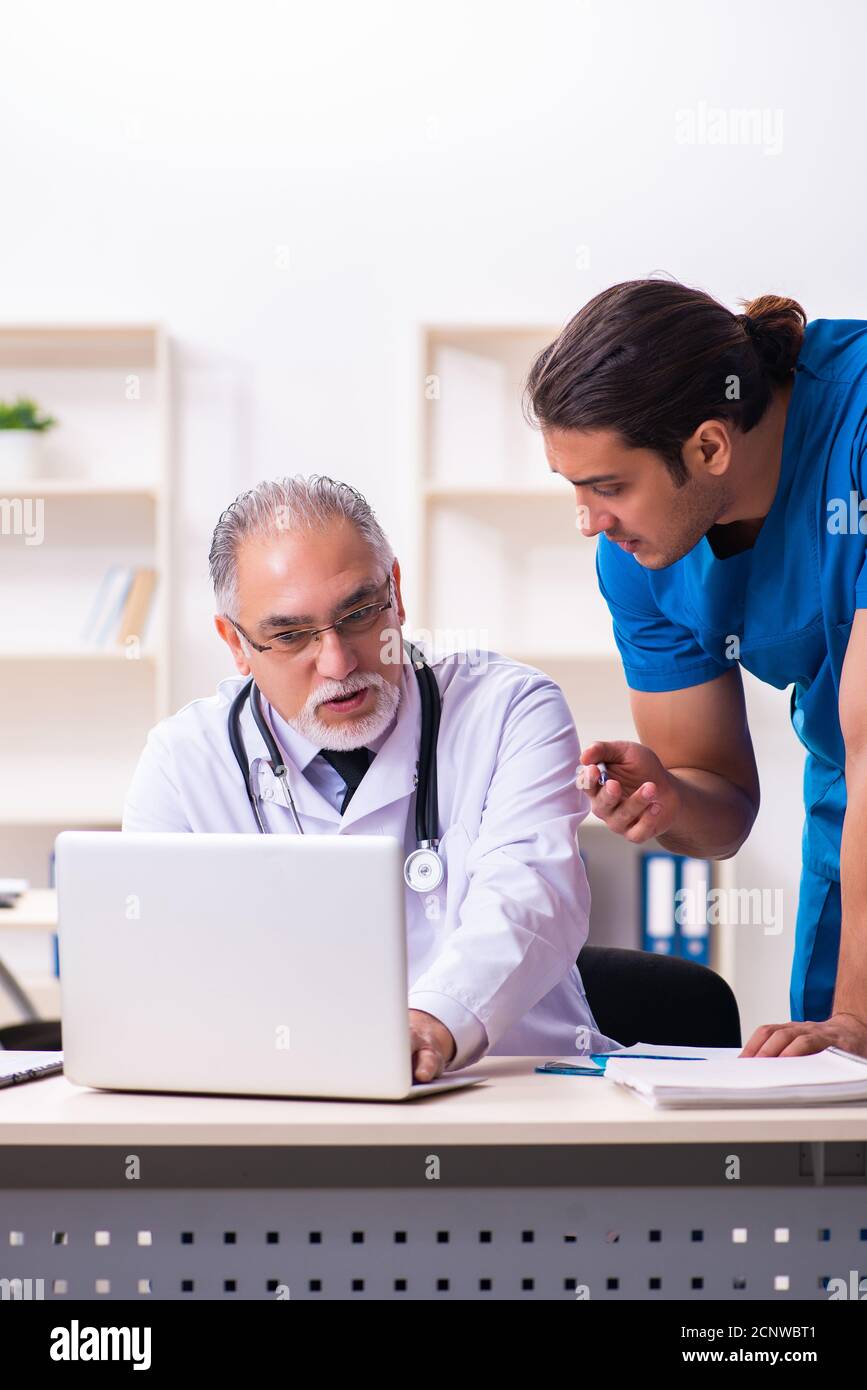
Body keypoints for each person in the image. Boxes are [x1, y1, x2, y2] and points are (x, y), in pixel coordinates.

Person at [123, 475, 617, 1080]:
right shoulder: (183, 764)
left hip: (519, 1096)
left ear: (397, 593)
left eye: (358, 614)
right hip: (282, 1104)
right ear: (236, 642)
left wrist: (433, 1023)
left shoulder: (511, 708)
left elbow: (533, 895)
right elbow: (163, 972)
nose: (337, 662)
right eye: (289, 635)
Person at [524, 278, 867, 1058]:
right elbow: (725, 810)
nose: (588, 522)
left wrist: (860, 1018)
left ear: (709, 446)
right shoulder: (639, 558)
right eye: (574, 489)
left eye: (609, 487)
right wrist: (666, 797)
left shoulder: (857, 428)